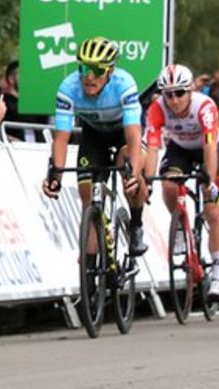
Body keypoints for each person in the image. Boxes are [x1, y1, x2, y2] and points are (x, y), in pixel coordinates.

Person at [42, 37, 148, 256]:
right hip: (94, 135)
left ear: (110, 71)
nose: (89, 77)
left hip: (123, 134)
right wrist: (55, 176)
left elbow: (133, 135)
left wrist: (134, 173)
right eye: (84, 68)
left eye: (97, 71)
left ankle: (136, 224)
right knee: (87, 196)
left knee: (131, 174)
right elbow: (61, 138)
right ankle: (89, 266)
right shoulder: (69, 88)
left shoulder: (124, 84)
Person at [144, 64, 219, 301]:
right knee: (169, 184)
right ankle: (179, 223)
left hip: (207, 149)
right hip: (180, 148)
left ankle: (218, 276)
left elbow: (211, 146)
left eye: (179, 93)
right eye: (168, 94)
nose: (174, 100)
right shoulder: (157, 108)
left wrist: (209, 181)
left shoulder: (204, 106)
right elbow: (152, 146)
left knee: (212, 212)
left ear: (190, 91)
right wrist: (148, 180)